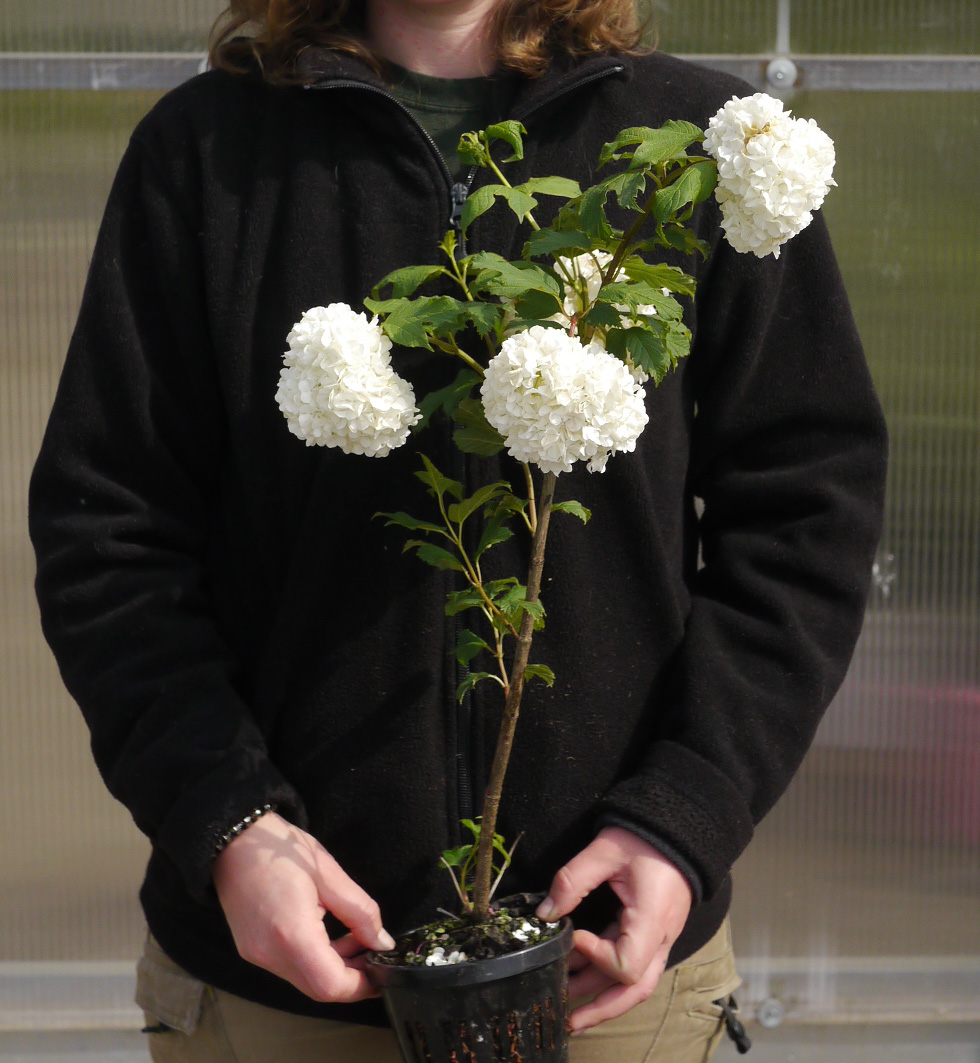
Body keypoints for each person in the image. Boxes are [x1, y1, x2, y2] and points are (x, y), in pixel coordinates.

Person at [28, 0, 888, 1060]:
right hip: (275, 974)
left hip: (606, 963)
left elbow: (806, 512)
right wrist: (227, 824)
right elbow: (108, 531)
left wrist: (684, 815)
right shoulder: (210, 152)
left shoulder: (705, 148)